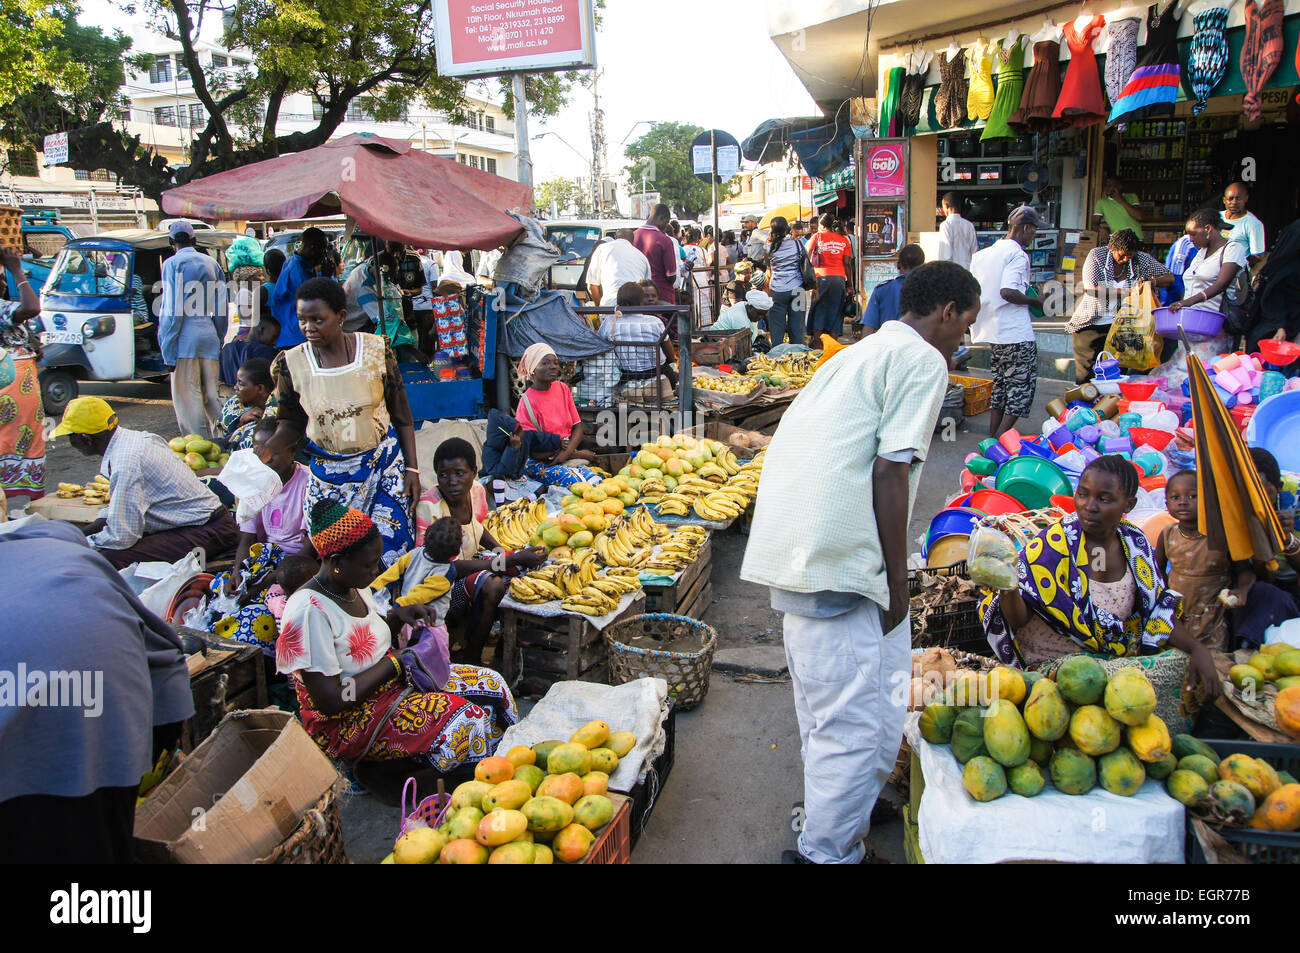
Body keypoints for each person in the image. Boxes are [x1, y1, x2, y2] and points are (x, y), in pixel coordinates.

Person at [741, 261, 980, 865]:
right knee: (859, 729)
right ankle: (826, 852)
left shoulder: (860, 351)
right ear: (947, 311)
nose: (965, 340)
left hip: (799, 560)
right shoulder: (923, 359)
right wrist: (898, 582)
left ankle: (831, 816)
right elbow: (890, 469)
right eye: (966, 324)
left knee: (829, 719)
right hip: (843, 568)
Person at [276, 499, 518, 772]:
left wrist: (396, 616)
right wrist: (394, 664)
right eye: (368, 565)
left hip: (391, 686)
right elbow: (332, 700)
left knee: (491, 684)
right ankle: (449, 792)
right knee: (465, 721)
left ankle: (507, 771)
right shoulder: (308, 612)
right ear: (336, 563)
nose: (376, 571)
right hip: (347, 721)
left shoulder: (354, 586)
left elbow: (373, 645)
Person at [0, 521, 193, 863]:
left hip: (20, 696)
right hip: (107, 701)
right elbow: (167, 654)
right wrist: (144, 758)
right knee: (98, 838)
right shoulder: (80, 560)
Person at [982, 456, 1220, 702]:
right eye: (1083, 495)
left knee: (1186, 668)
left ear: (1129, 504)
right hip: (1054, 667)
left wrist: (1197, 648)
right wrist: (1008, 587)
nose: (1089, 506)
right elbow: (1018, 620)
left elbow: (1158, 610)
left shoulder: (1134, 545)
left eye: (1104, 499)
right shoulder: (1054, 545)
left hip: (1112, 658)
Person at [268, 277, 420, 567]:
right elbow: (290, 421)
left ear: (340, 317)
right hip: (329, 478)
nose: (308, 328)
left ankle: (386, 609)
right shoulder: (292, 364)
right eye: (302, 320)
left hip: (383, 468)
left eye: (317, 319)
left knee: (388, 552)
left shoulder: (377, 351)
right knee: (340, 560)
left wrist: (412, 468)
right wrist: (269, 448)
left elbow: (402, 416)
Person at [403, 438, 549, 662]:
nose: (452, 481)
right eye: (444, 475)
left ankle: (513, 649)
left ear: (474, 472)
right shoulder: (429, 507)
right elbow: (441, 566)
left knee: (527, 576)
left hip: (467, 573)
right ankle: (473, 655)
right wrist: (507, 560)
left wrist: (503, 551)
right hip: (439, 590)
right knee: (492, 584)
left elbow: (477, 528)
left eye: (460, 473)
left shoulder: (477, 492)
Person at [55, 396, 239, 569]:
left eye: (71, 436)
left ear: (86, 439)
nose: (71, 442)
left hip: (208, 531)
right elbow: (116, 513)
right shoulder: (130, 440)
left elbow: (123, 536)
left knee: (105, 560)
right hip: (195, 523)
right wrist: (79, 534)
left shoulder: (126, 462)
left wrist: (83, 543)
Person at [1155, 469, 1255, 651]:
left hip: (1213, 615)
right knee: (1176, 660)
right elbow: (1157, 569)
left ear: (1208, 500)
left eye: (1192, 496)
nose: (1183, 502)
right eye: (1175, 497)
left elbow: (1245, 570)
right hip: (1177, 614)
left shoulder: (1221, 535)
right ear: (1166, 503)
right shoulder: (1167, 534)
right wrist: (1162, 597)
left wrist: (1243, 590)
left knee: (1213, 660)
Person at [969, 205, 1045, 437]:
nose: (1034, 236)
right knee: (1020, 390)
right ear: (1026, 228)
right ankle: (1000, 442)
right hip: (1016, 333)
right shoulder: (1018, 255)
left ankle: (991, 439)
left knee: (1001, 388)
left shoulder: (982, 255)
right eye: (1034, 231)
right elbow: (1008, 292)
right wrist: (1037, 302)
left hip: (993, 333)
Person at [1066, 228, 1173, 384]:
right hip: (1092, 324)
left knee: (1115, 374)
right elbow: (1091, 288)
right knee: (1087, 376)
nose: (1126, 259)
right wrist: (1128, 291)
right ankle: (1083, 407)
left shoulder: (1140, 259)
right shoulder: (1097, 255)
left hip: (1121, 326)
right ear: (1112, 247)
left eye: (1130, 255)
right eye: (1122, 255)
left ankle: (1108, 407)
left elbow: (1169, 277)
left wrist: (1151, 282)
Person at [159, 220, 226, 438]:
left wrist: (168, 351)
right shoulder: (211, 263)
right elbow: (221, 307)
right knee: (213, 397)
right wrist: (219, 337)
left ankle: (200, 450)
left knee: (189, 399)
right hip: (209, 335)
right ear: (194, 240)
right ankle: (226, 441)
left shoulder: (171, 264)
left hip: (183, 340)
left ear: (171, 242)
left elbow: (173, 311)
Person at [515, 342, 600, 487]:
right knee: (579, 484)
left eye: (555, 362)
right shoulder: (527, 403)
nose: (553, 366)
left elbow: (578, 427)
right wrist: (576, 454)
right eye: (545, 363)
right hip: (541, 460)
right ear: (533, 369)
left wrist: (567, 454)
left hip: (565, 453)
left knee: (597, 479)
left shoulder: (562, 389)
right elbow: (532, 448)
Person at [0, 245, 45, 503]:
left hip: (22, 397)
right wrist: (17, 271)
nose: (3, 283)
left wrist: (31, 346)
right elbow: (31, 308)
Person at [598, 282, 677, 396]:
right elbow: (670, 356)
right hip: (657, 372)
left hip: (626, 375)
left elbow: (600, 346)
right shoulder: (654, 322)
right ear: (641, 301)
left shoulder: (609, 322)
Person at [1168, 208, 1248, 317]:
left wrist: (1189, 302)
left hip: (1216, 321)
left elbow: (1221, 284)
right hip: (1191, 319)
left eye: (1193, 234)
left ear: (1208, 228)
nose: (1190, 239)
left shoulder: (1233, 248)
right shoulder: (1201, 252)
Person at [343, 253, 422, 361]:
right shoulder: (364, 290)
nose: (390, 279)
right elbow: (386, 323)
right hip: (352, 331)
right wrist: (415, 353)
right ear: (381, 271)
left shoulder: (363, 268)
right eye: (390, 275)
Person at [807, 213, 854, 340]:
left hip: (819, 279)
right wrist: (850, 285)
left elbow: (806, 257)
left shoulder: (817, 237)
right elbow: (847, 263)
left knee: (819, 310)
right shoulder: (844, 239)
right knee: (836, 311)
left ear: (821, 225)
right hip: (839, 279)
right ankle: (833, 345)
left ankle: (818, 344)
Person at [764, 216, 810, 347]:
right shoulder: (798, 243)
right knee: (798, 326)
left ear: (772, 231)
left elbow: (769, 267)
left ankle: (778, 356)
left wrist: (770, 238)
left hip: (777, 291)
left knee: (776, 327)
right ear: (787, 230)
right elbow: (805, 261)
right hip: (798, 290)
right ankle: (798, 356)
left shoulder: (768, 248)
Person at [861, 243, 924, 336]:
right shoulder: (930, 290)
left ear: (898, 265)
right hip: (920, 348)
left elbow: (868, 330)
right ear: (923, 267)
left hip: (889, 346)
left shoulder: (882, 290)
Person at [216, 357, 277, 451]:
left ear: (260, 388)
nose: (235, 387)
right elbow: (224, 420)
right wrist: (241, 420)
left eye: (241, 384)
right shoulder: (238, 403)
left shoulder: (278, 408)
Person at [586, 228, 651, 306]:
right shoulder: (642, 257)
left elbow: (591, 286)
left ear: (615, 237)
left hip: (610, 308)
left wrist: (600, 310)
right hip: (636, 308)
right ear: (633, 241)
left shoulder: (602, 249)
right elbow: (648, 289)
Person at [633, 204, 679, 307]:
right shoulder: (665, 240)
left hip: (638, 298)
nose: (666, 226)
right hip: (662, 296)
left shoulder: (633, 236)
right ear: (662, 218)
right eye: (666, 223)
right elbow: (671, 276)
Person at [220, 315, 279, 386]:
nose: (275, 343)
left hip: (230, 395)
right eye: (274, 337)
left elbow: (220, 381)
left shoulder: (227, 348)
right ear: (262, 330)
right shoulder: (264, 351)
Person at [1222, 181, 1266, 266]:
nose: (1234, 202)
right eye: (1230, 198)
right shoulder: (1216, 217)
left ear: (1246, 199)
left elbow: (1258, 256)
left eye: (1238, 198)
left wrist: (1236, 267)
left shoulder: (1253, 224)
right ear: (1224, 200)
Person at [1092, 175, 1144, 244]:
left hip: (1136, 238)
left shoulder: (1131, 197)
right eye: (1106, 185)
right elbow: (1094, 224)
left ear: (1119, 186)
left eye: (1110, 185)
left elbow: (1139, 216)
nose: (1107, 188)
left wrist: (1121, 200)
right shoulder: (1102, 202)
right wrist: (1100, 229)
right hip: (1116, 240)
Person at [935, 193, 978, 270]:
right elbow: (974, 251)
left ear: (946, 206)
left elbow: (946, 253)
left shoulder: (945, 225)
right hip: (967, 271)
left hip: (952, 271)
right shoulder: (969, 225)